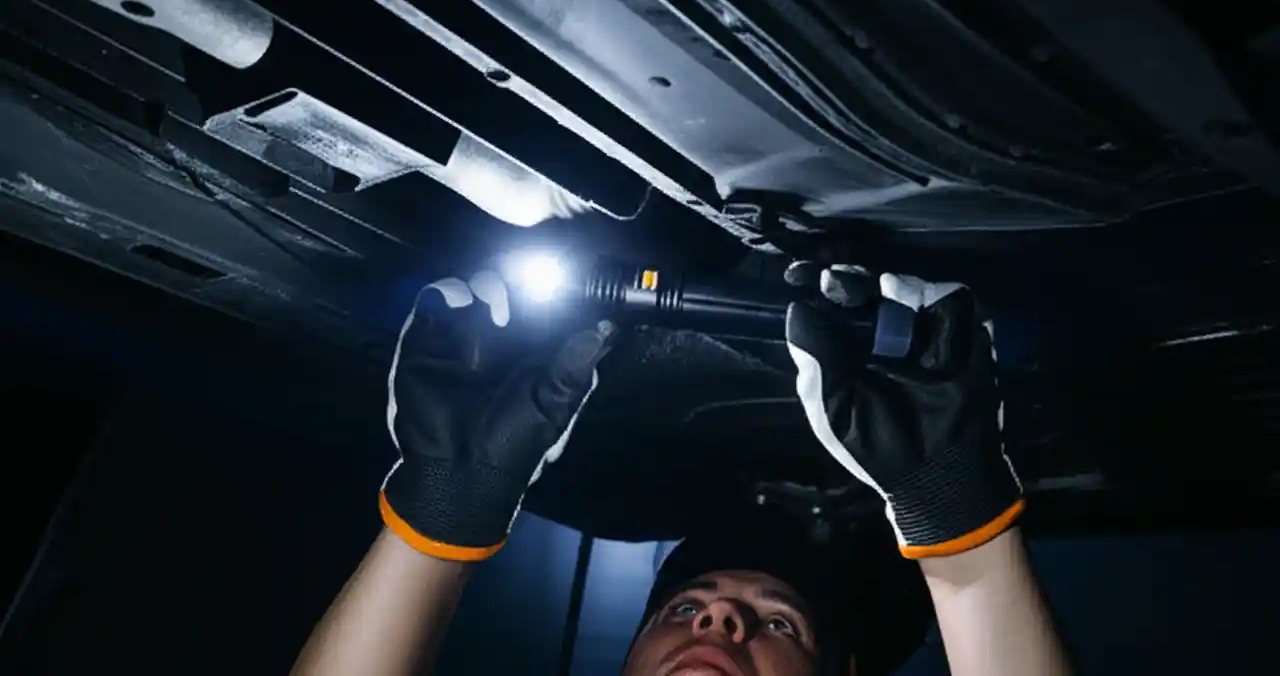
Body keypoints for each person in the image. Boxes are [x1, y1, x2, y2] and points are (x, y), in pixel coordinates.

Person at [291, 264, 1072, 676]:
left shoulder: (631, 500)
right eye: (774, 624)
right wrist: (956, 515)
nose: (717, 621)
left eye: (681, 609)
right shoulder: (882, 614)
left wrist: (441, 514)